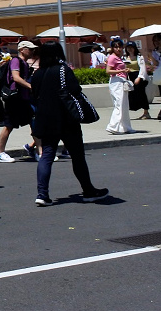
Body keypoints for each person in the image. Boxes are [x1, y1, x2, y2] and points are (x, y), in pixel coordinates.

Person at [29, 43, 109, 206]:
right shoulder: (63, 70)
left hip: (45, 119)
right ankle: (88, 190)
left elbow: (35, 95)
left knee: (47, 155)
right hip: (66, 118)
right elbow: (75, 90)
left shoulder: (38, 73)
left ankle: (42, 194)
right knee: (77, 155)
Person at [0, 41, 36, 162]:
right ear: (22, 49)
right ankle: (0, 153)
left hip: (23, 98)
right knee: (9, 125)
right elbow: (16, 77)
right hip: (14, 98)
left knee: (33, 122)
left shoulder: (24, 63)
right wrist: (30, 86)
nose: (32, 51)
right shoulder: (16, 61)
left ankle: (39, 151)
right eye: (30, 49)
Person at [104, 39, 136, 135]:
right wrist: (121, 71)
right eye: (116, 47)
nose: (118, 49)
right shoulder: (112, 57)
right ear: (112, 48)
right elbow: (108, 71)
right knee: (119, 104)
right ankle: (113, 126)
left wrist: (124, 70)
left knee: (124, 105)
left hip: (121, 81)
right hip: (116, 81)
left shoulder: (119, 57)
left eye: (120, 47)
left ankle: (125, 127)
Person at [126, 42, 150, 120]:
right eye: (128, 47)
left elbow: (142, 68)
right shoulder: (125, 57)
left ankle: (146, 112)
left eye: (131, 47)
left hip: (138, 76)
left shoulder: (139, 57)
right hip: (130, 76)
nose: (130, 49)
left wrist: (139, 77)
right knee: (132, 95)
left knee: (141, 94)